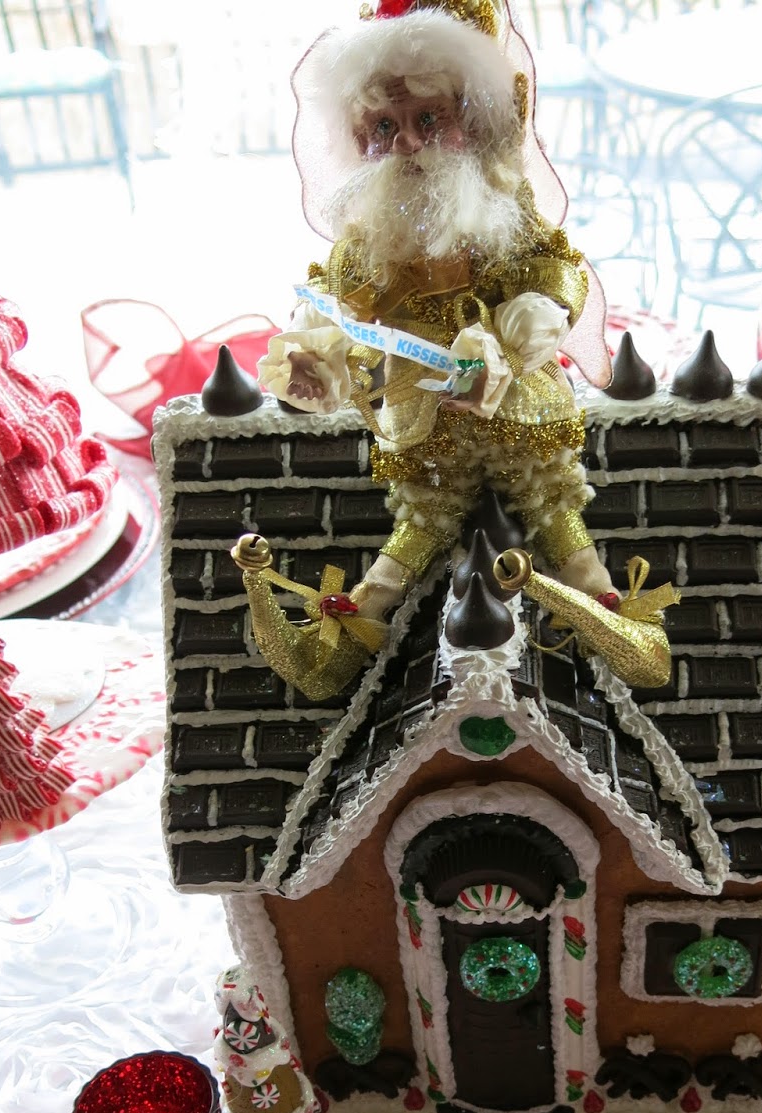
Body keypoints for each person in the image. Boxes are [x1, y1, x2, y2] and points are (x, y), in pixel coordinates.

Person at [253, 0, 673, 692]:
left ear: (469, 123)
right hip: (422, 427)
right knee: (414, 534)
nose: (409, 144)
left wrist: (537, 314)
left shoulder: (499, 215)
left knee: (560, 517)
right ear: (361, 140)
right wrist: (314, 359)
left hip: (520, 413)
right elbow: (332, 311)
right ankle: (340, 642)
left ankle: (613, 619)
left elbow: (555, 266)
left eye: (428, 121)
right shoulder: (366, 246)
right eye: (385, 128)